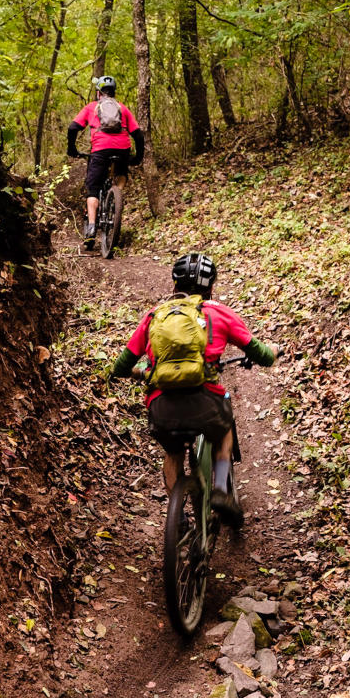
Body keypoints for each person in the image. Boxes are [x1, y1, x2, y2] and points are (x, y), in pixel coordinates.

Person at [109, 253, 279, 526]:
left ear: (174, 285)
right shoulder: (219, 313)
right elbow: (262, 355)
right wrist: (272, 351)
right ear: (211, 286)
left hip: (162, 405)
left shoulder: (156, 316)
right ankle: (222, 491)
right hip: (206, 401)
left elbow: (120, 365)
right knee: (224, 432)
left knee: (173, 451)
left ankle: (177, 518)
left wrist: (139, 371)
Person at [67, 76, 144, 241]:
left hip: (100, 149)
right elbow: (138, 134)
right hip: (123, 148)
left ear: (98, 93)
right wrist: (138, 157)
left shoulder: (92, 107)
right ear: (113, 92)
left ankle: (92, 227)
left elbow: (73, 127)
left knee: (93, 188)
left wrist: (72, 149)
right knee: (122, 173)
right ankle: (116, 200)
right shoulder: (122, 108)